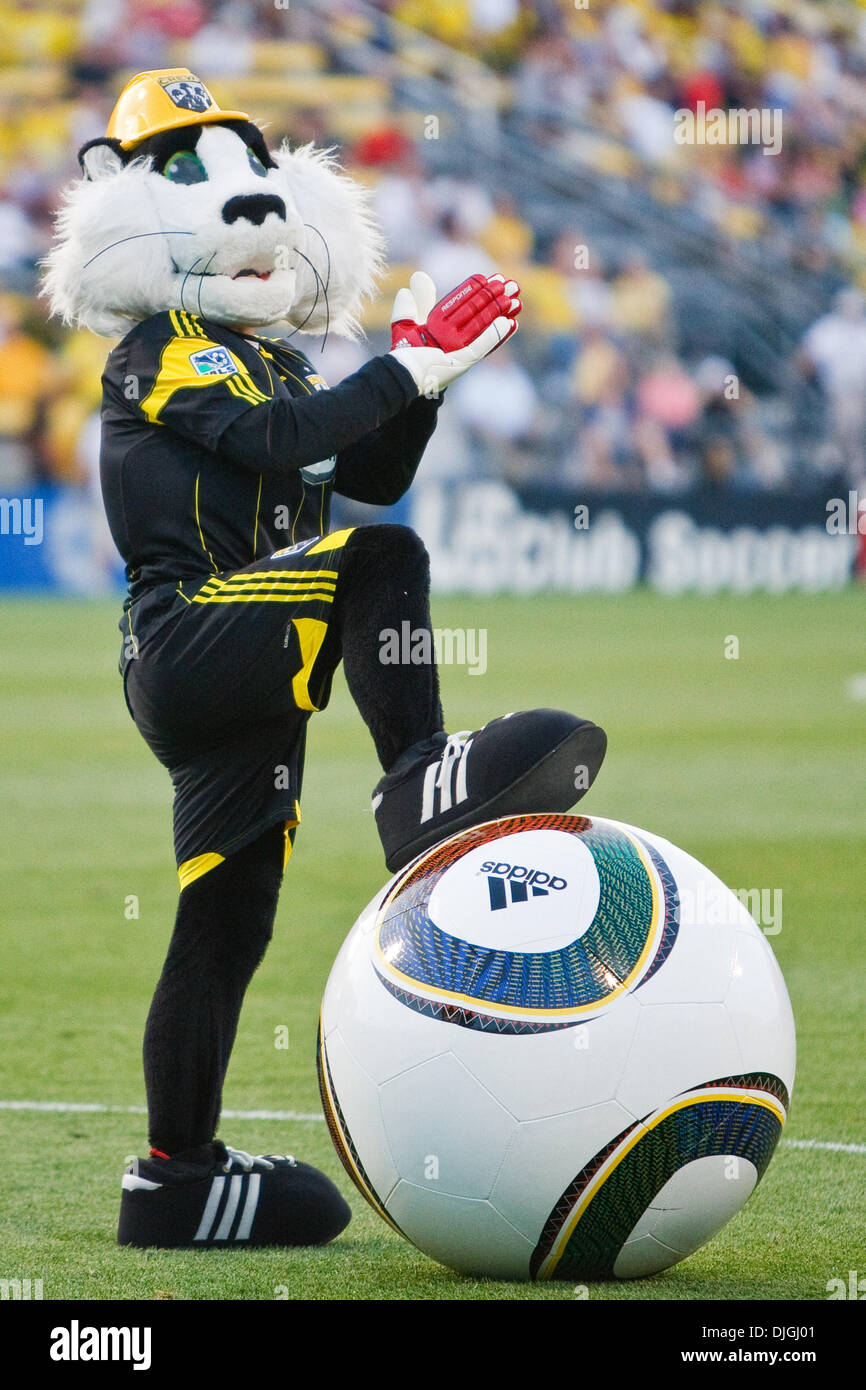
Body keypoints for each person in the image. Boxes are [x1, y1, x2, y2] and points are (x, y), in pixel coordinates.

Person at [45, 68, 607, 1250]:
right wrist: (398, 373)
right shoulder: (163, 341)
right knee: (376, 559)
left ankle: (175, 1176)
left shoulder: (280, 357)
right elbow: (273, 443)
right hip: (195, 631)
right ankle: (417, 776)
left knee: (226, 920)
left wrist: (424, 380)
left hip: (245, 669)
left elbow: (366, 467)